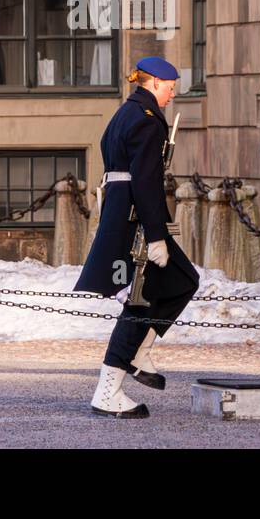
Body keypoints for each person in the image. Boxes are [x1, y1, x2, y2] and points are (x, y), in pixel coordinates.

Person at [73, 55, 200, 418]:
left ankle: (141, 351)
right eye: (170, 89)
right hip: (136, 221)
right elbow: (145, 181)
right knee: (141, 301)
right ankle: (108, 389)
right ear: (154, 83)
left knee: (180, 281)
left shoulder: (125, 113)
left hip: (124, 214)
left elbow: (114, 161)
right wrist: (156, 235)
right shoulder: (148, 122)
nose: (171, 96)